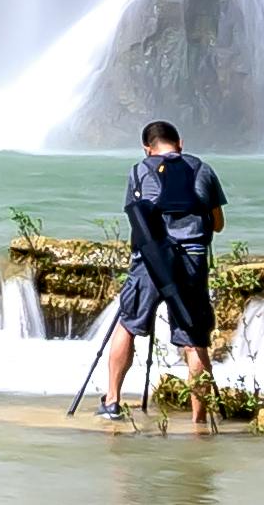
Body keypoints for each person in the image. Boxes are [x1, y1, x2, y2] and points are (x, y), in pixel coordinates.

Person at [96, 120, 224, 429]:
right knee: (194, 339)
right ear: (180, 142)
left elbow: (136, 218)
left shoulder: (140, 170)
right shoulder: (203, 170)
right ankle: (199, 421)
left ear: (147, 148)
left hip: (152, 261)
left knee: (128, 323)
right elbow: (218, 223)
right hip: (192, 261)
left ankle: (112, 400)